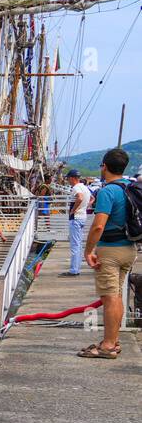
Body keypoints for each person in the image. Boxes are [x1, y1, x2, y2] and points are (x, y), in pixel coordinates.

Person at [80, 147, 138, 359]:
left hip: (111, 250)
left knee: (110, 297)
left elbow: (98, 226)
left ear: (104, 167)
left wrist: (88, 251)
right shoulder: (130, 187)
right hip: (129, 249)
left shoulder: (107, 192)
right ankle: (114, 340)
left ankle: (107, 345)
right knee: (117, 295)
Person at [59, 168, 93, 277]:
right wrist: (84, 207)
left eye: (68, 178)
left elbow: (80, 197)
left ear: (73, 178)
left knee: (75, 245)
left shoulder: (76, 187)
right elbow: (92, 198)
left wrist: (73, 210)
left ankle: (74, 270)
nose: (68, 180)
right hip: (83, 217)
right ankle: (76, 268)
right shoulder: (85, 187)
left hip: (76, 219)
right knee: (78, 244)